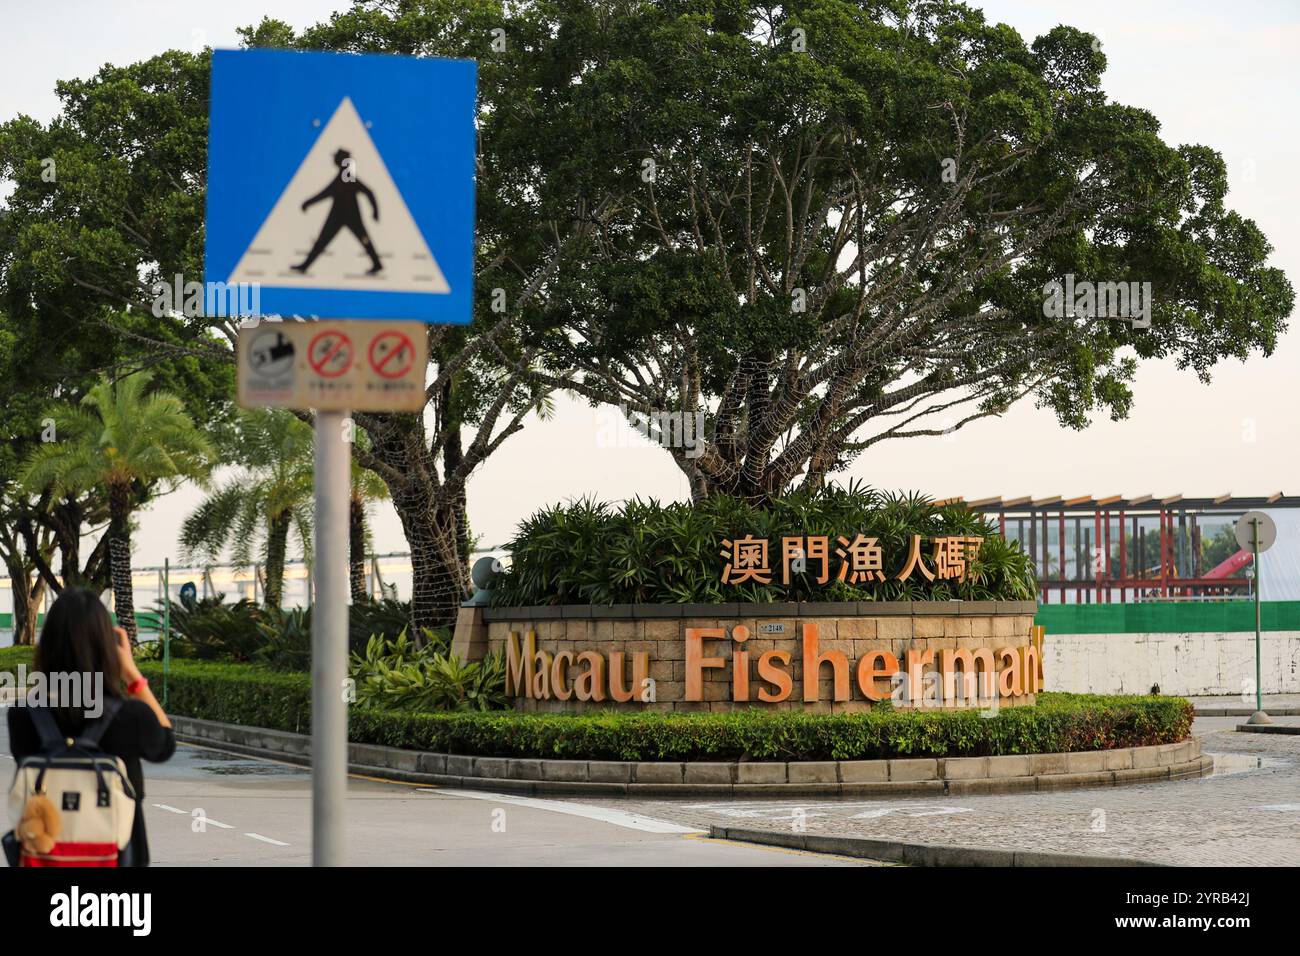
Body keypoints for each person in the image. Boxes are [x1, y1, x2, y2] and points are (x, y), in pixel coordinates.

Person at [7, 588, 175, 867]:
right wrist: (132, 674)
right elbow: (165, 745)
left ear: (47, 645)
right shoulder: (129, 715)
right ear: (106, 647)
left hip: (43, 857)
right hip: (118, 860)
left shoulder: (25, 715)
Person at [291, 147, 384, 275]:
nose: (334, 160)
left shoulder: (346, 177)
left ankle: (377, 264)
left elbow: (327, 192)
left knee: (363, 239)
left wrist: (375, 211)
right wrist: (309, 203)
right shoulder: (345, 176)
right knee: (323, 240)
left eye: (336, 157)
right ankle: (305, 266)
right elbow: (328, 192)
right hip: (339, 215)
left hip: (348, 216)